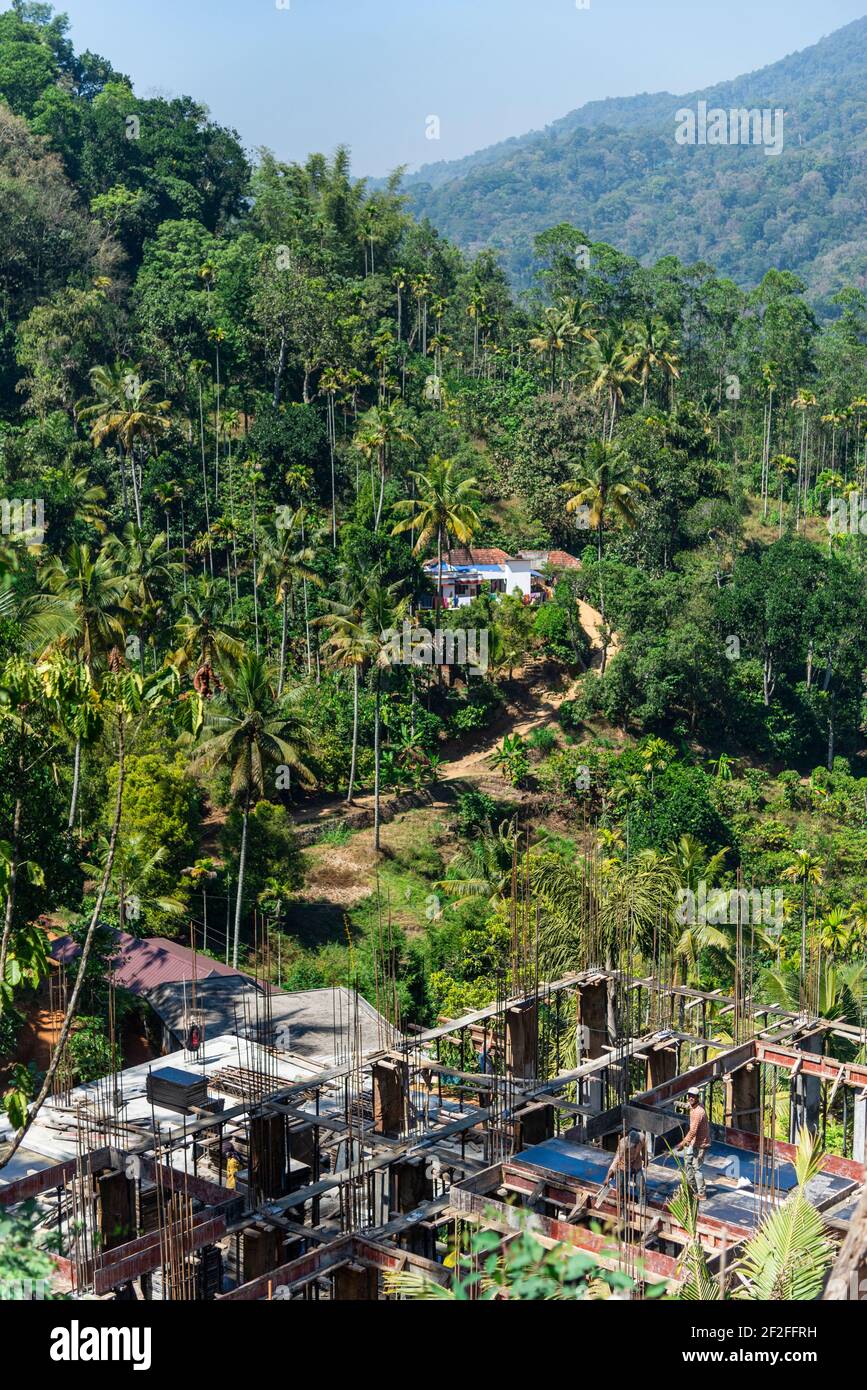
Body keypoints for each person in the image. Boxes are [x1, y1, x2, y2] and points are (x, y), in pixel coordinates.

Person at [595, 1128, 647, 1208]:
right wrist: (608, 1176)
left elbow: (644, 1146)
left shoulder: (641, 1137)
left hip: (636, 1163)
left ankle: (642, 1205)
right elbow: (616, 1160)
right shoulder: (623, 1144)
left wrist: (644, 1156)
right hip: (624, 1164)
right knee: (621, 1186)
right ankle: (621, 1203)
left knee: (641, 1184)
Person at [675, 1086, 710, 1200]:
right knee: (687, 1164)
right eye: (689, 1096)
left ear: (697, 1098)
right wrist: (677, 1103)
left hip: (700, 1144)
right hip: (694, 1143)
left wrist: (683, 1143)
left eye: (693, 1096)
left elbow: (693, 1131)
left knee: (696, 1168)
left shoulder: (698, 1112)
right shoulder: (694, 1107)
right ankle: (692, 1187)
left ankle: (702, 1193)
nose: (690, 1098)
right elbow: (688, 1105)